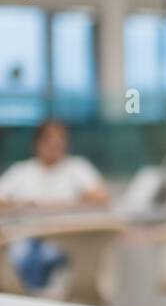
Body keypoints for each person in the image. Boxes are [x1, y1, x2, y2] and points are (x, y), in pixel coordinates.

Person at [0, 119, 108, 290]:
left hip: (66, 239)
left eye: (60, 139)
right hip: (24, 237)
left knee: (45, 257)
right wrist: (25, 205)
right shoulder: (21, 171)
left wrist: (59, 206)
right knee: (23, 257)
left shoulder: (77, 168)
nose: (55, 144)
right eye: (49, 139)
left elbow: (101, 197)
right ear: (37, 142)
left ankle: (37, 299)